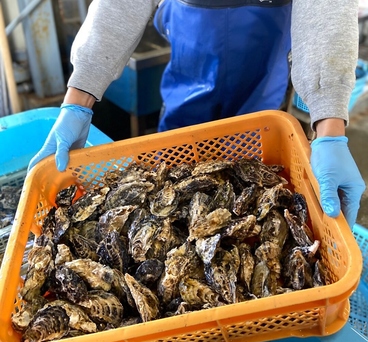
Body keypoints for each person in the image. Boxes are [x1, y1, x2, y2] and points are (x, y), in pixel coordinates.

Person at [28, 0, 366, 229]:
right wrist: (79, 96)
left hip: (270, 26)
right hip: (191, 17)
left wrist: (330, 125)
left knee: (252, 155)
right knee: (176, 162)